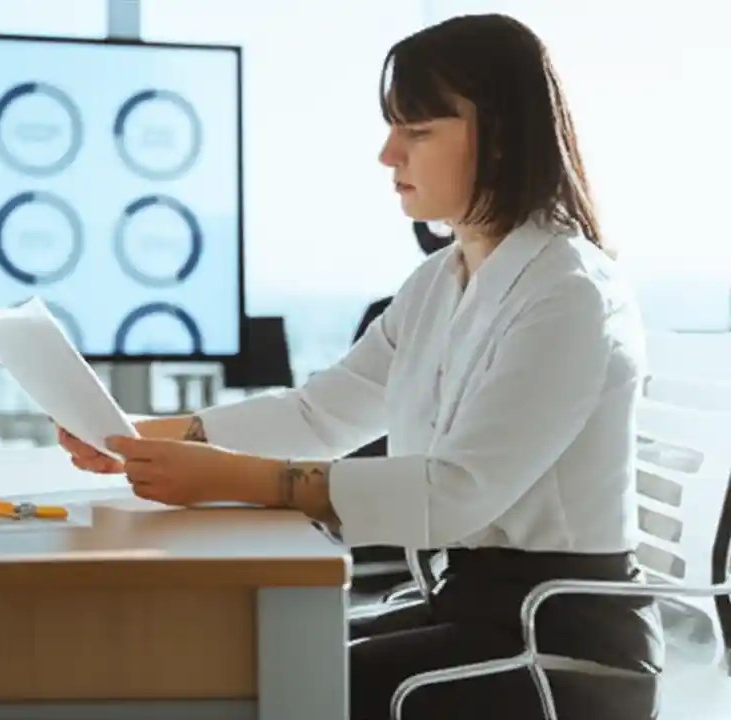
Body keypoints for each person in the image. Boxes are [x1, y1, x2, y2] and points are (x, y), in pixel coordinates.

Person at [58, 13, 662, 720]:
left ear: (499, 137)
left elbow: (455, 493)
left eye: (416, 131)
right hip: (471, 608)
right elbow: (321, 413)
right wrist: (140, 435)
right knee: (252, 659)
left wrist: (230, 478)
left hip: (561, 644)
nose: (387, 154)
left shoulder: (569, 293)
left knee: (286, 682)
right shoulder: (440, 281)